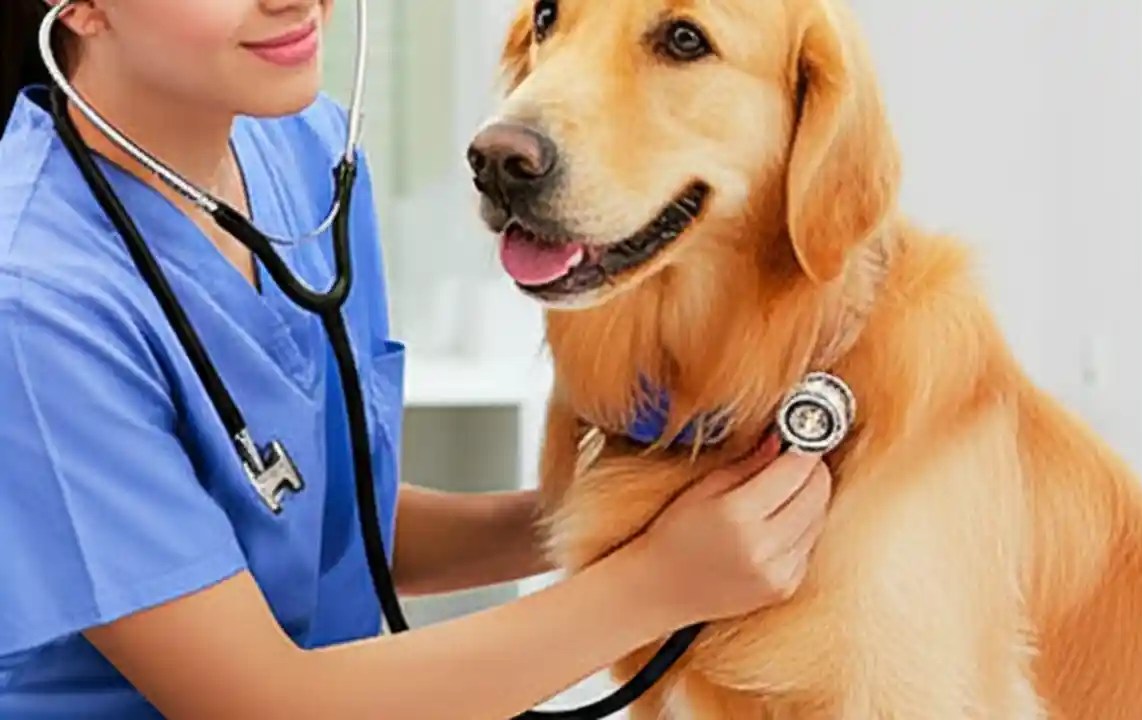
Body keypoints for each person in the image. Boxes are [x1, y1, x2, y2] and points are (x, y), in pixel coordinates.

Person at [0, 1, 834, 718]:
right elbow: (256, 702)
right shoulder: (36, 302)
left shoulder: (304, 150)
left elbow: (320, 516)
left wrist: (607, 517)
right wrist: (659, 583)